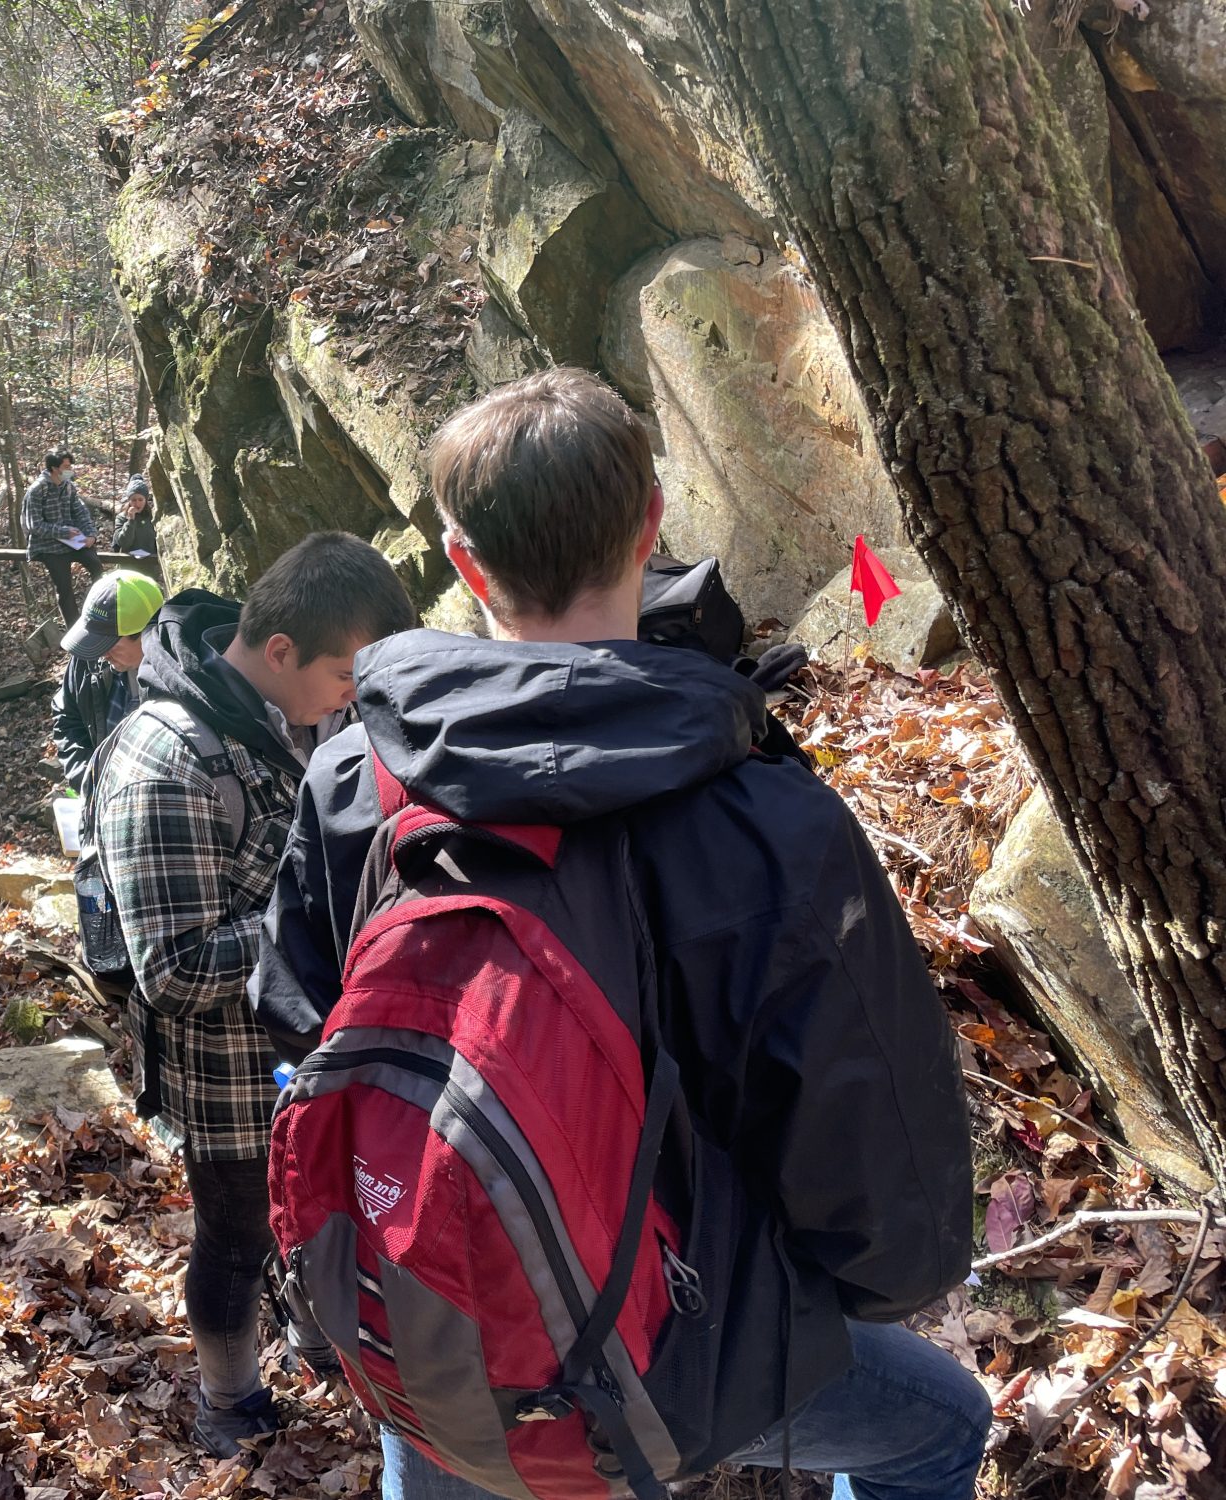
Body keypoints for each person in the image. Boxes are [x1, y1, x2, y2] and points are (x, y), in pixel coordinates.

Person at [253, 369, 985, 1500]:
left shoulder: (357, 770)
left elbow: (299, 1012)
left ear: (460, 563)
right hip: (667, 1343)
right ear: (651, 525)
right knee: (939, 1428)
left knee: (456, 1428)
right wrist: (861, 1288)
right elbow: (858, 1122)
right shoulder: (757, 816)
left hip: (425, 1286)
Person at [89, 532, 416, 1458]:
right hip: (223, 1073)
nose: (355, 698)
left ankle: (316, 1342)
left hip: (306, 1045)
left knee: (314, 1209)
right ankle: (227, 1402)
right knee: (236, 1236)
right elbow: (174, 968)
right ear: (280, 652)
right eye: (348, 676)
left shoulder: (290, 713)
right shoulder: (167, 762)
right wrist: (325, 922)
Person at [51, 569, 164, 792]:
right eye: (95, 642)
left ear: (148, 632)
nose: (101, 654)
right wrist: (86, 777)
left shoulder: (181, 681)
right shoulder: (88, 657)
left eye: (108, 645)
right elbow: (67, 714)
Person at [23, 449, 101, 620]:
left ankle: (96, 613)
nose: (69, 470)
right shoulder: (37, 490)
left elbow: (81, 513)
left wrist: (90, 535)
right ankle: (73, 631)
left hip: (72, 542)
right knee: (65, 589)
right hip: (47, 546)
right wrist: (63, 532)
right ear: (53, 468)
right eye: (66, 466)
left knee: (96, 565)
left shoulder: (68, 487)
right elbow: (34, 526)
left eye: (70, 466)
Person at [112, 473, 159, 565]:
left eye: (140, 500)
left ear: (145, 500)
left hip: (149, 565)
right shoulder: (121, 518)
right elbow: (124, 543)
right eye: (133, 500)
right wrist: (131, 521)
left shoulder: (153, 517)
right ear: (129, 500)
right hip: (128, 565)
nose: (137, 504)